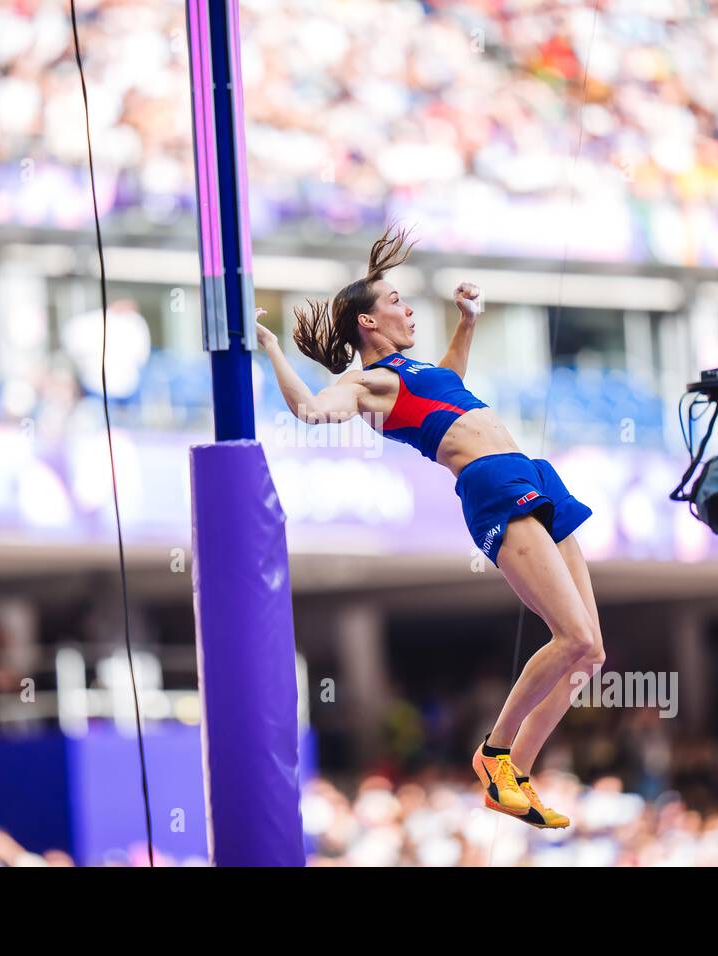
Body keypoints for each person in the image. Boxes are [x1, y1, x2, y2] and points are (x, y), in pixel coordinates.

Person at [256, 222, 604, 829]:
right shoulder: (368, 383)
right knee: (569, 637)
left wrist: (468, 322)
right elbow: (311, 410)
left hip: (536, 474)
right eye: (394, 301)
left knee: (591, 654)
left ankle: (513, 776)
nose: (407, 307)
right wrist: (271, 347)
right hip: (496, 488)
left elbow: (452, 382)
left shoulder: (416, 371)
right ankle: (494, 753)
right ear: (367, 322)